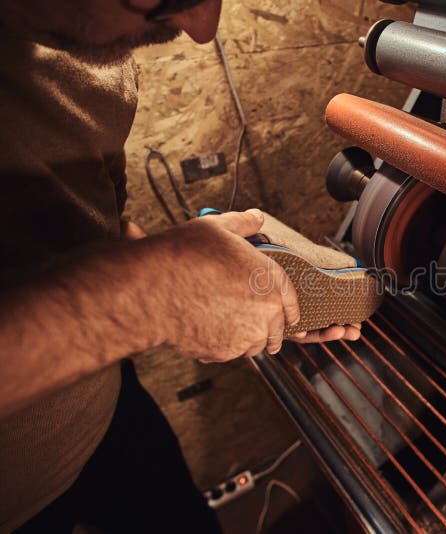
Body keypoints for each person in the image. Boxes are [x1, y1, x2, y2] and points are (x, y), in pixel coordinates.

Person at [0, 0, 360, 531]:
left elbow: (96, 221)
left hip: (107, 410)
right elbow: (145, 289)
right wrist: (159, 292)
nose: (202, 28)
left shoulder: (97, 51)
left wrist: (210, 281)